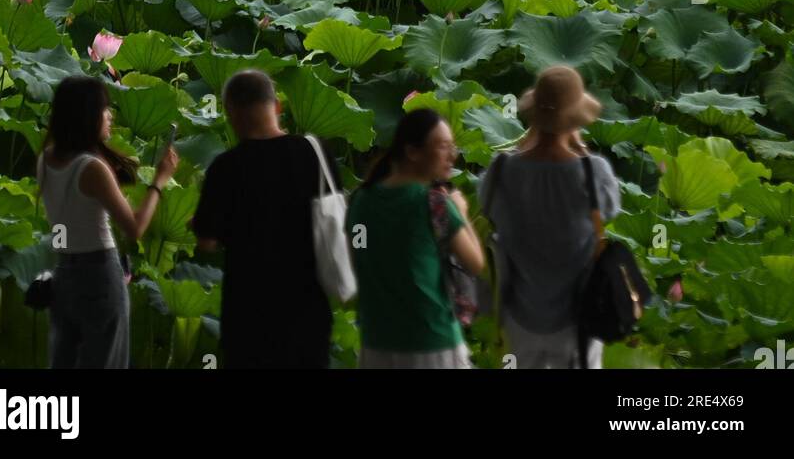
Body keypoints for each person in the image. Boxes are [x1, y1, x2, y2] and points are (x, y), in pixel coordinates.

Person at [192, 70, 336, 370]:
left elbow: (206, 242)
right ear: (278, 106)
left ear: (230, 111)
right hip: (308, 311)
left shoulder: (225, 168)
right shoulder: (316, 153)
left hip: (249, 316)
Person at [480, 65, 620, 370]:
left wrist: (526, 143)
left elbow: (487, 208)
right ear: (575, 119)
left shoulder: (501, 170)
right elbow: (608, 210)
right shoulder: (593, 172)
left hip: (518, 315)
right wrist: (580, 149)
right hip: (581, 316)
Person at [37, 76, 178, 369]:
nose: (110, 115)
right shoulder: (92, 168)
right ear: (87, 115)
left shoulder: (45, 160)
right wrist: (160, 180)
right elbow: (135, 228)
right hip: (99, 277)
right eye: (104, 108)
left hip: (64, 274)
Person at [347, 109, 486, 370]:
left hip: (377, 343)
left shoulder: (361, 200)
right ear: (412, 152)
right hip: (432, 341)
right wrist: (463, 212)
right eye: (443, 146)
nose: (452, 155)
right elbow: (475, 263)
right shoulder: (435, 202)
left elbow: (357, 260)